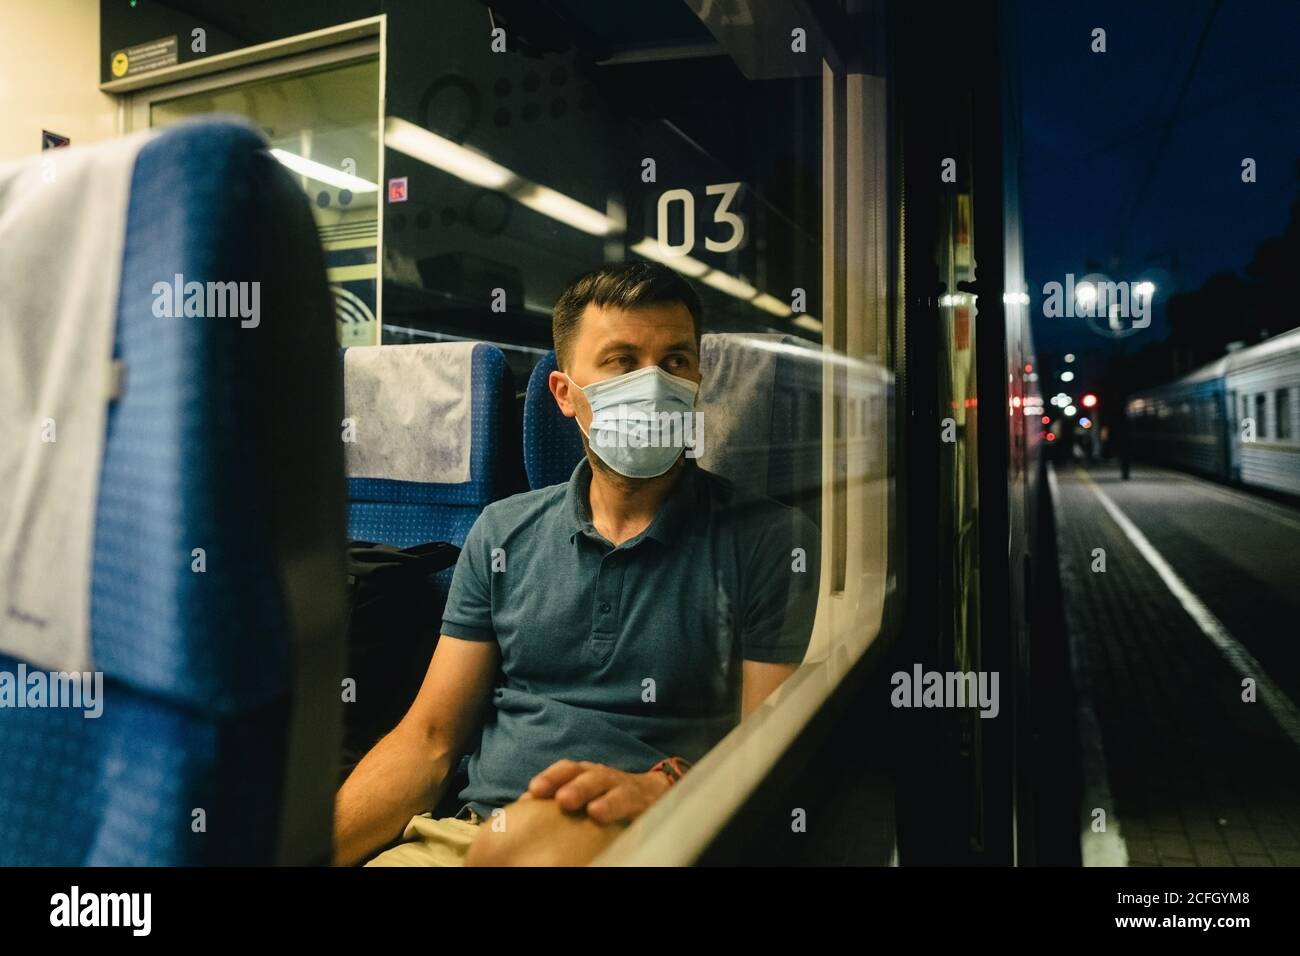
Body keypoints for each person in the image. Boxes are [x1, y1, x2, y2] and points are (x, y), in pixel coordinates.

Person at [333, 261, 820, 866]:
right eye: (621, 361)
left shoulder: (771, 540)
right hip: (467, 837)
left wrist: (665, 785)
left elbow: (768, 752)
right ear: (565, 394)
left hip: (659, 832)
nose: (653, 385)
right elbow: (429, 742)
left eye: (675, 361)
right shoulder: (502, 533)